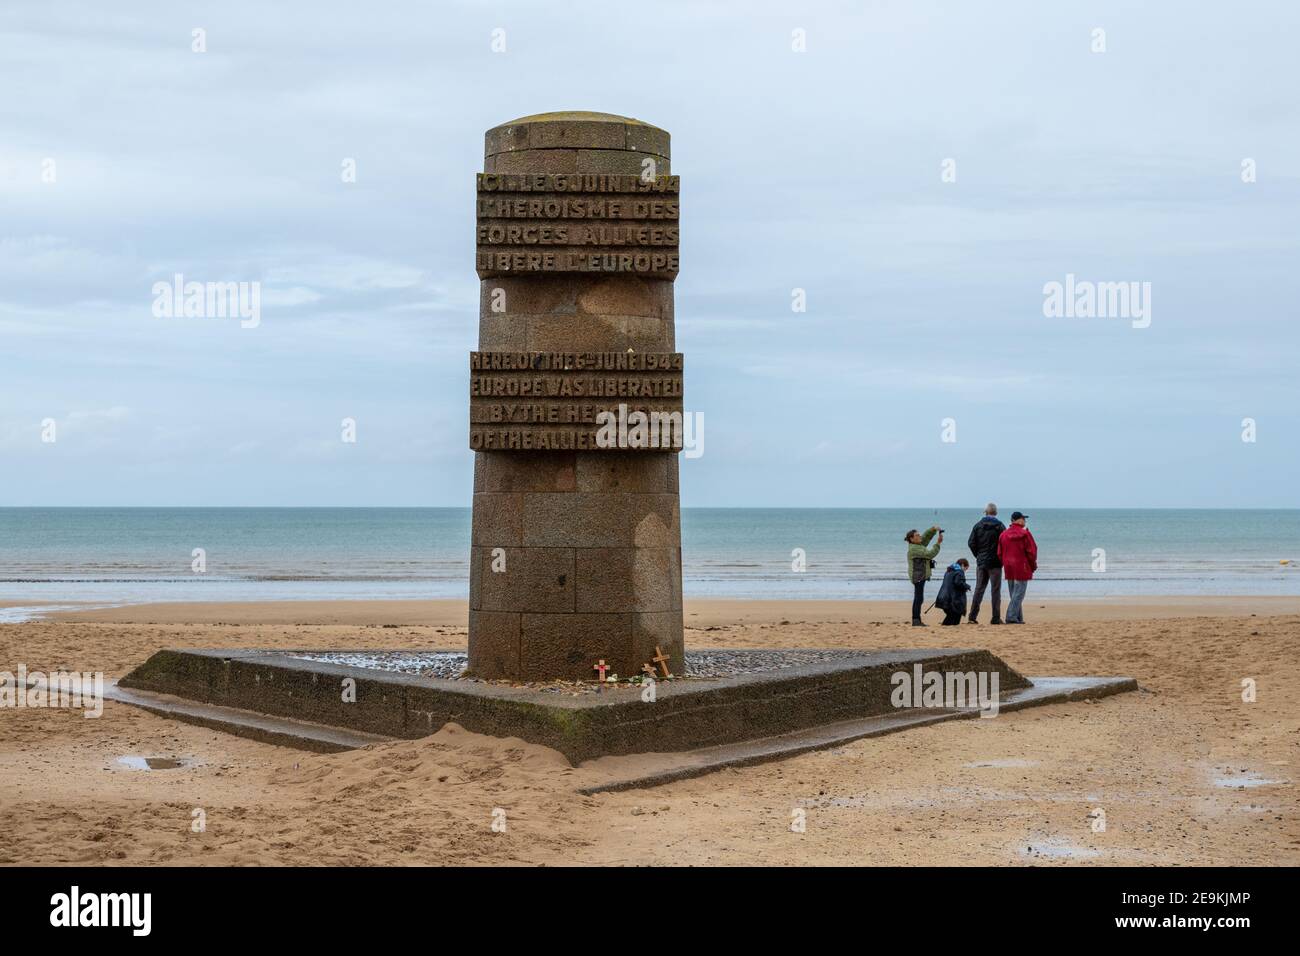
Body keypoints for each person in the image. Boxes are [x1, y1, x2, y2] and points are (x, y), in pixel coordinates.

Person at [966, 502, 1007, 624]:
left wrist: (978, 555)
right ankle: (995, 617)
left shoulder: (978, 525)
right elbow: (1005, 543)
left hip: (982, 562)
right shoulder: (1000, 526)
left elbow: (971, 543)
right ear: (996, 513)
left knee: (979, 589)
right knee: (995, 590)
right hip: (995, 562)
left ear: (985, 512)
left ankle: (972, 617)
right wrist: (1001, 557)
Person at [997, 511, 1038, 624]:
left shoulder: (1003, 534)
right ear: (1017, 520)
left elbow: (999, 553)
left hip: (1009, 567)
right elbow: (1032, 552)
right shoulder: (1025, 534)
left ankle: (1018, 617)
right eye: (1023, 519)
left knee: (1014, 594)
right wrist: (1033, 566)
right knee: (1019, 594)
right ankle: (1011, 616)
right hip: (1022, 566)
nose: (1025, 521)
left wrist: (1005, 563)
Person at [904, 526, 943, 626]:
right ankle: (916, 620)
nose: (919, 536)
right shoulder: (914, 549)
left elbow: (925, 537)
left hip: (920, 575)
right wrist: (938, 543)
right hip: (917, 576)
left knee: (919, 598)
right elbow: (930, 554)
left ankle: (917, 620)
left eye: (919, 534)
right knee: (918, 598)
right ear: (912, 539)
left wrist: (933, 529)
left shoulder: (919, 545)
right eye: (917, 535)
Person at [936, 558, 971, 625]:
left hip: (943, 597)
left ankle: (947, 628)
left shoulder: (949, 571)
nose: (965, 571)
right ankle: (946, 627)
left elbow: (952, 584)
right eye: (966, 568)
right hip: (952, 600)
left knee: (952, 616)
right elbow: (958, 582)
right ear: (963, 565)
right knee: (955, 615)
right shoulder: (959, 571)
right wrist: (967, 586)